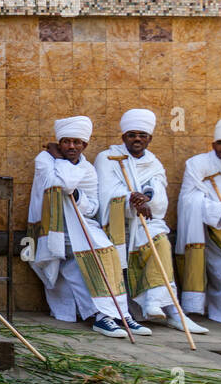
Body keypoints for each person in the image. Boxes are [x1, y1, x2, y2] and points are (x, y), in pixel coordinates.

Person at [27, 115, 149, 338]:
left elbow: (92, 207)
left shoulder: (88, 169)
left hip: (81, 225)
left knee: (107, 253)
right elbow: (61, 184)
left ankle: (118, 313)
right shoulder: (44, 159)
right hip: (52, 229)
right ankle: (103, 315)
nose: (71, 146)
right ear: (59, 143)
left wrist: (78, 196)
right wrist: (61, 163)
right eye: (66, 142)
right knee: (87, 260)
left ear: (85, 145)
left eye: (77, 142)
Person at [95, 108, 206, 333]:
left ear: (149, 139)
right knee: (142, 241)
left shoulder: (154, 163)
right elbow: (105, 194)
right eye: (132, 135)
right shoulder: (107, 158)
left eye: (142, 135)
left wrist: (148, 197)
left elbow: (159, 197)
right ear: (124, 137)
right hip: (117, 224)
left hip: (146, 221)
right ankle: (169, 310)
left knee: (160, 240)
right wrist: (128, 199)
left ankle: (159, 303)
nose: (137, 139)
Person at [175, 117, 221, 324]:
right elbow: (189, 200)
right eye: (220, 143)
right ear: (213, 144)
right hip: (212, 231)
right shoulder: (198, 164)